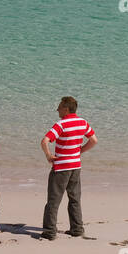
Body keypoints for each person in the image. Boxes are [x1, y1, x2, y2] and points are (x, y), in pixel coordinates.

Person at [39, 96, 96, 240]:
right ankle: (77, 229)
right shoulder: (83, 122)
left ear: (66, 108)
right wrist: (80, 151)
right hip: (76, 166)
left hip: (61, 167)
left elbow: (44, 141)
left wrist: (48, 156)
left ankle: (50, 232)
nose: (57, 109)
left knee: (53, 200)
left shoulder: (61, 124)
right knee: (75, 198)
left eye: (59, 106)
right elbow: (94, 140)